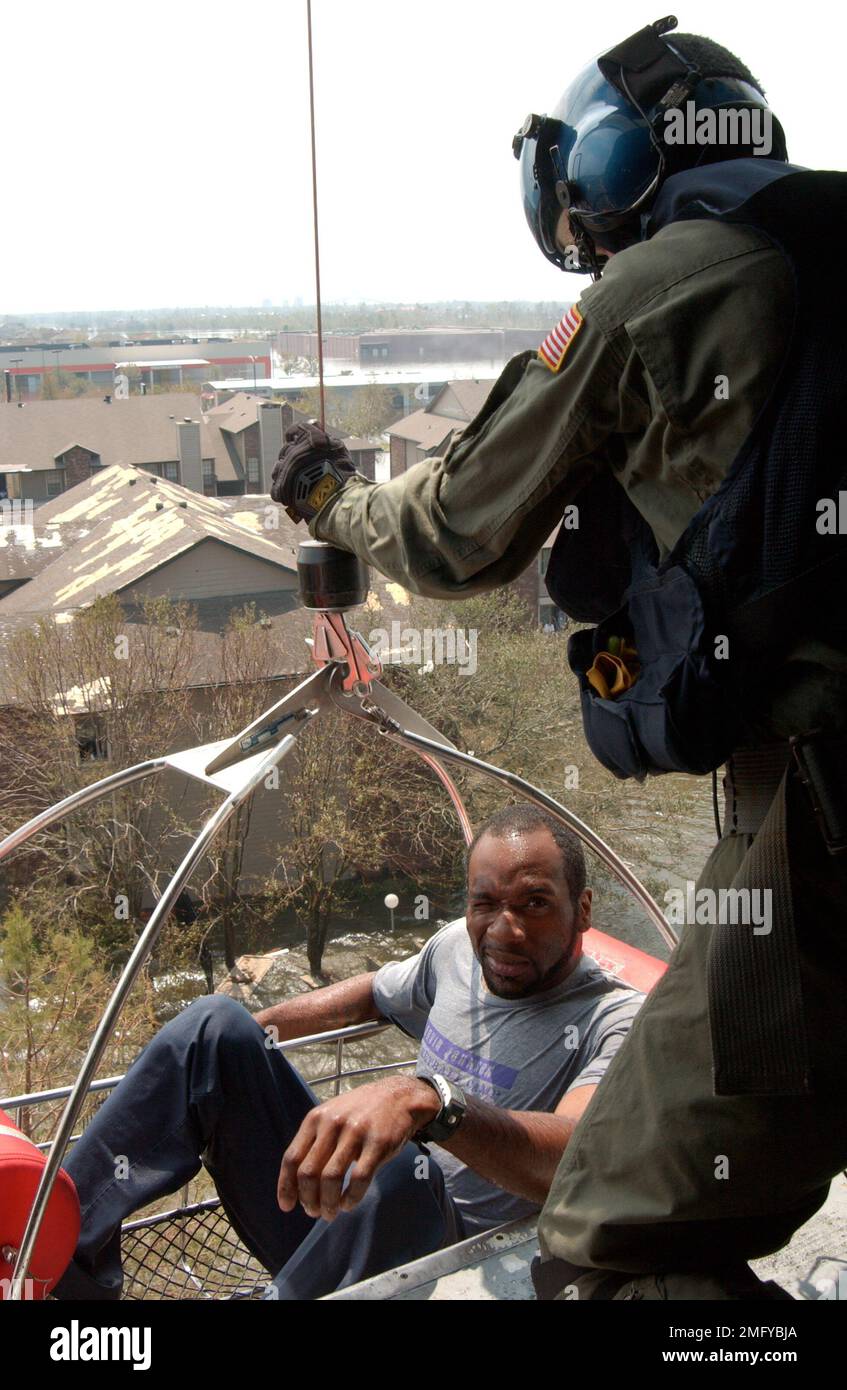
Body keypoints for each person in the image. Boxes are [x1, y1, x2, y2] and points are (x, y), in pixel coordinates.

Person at [270, 18, 847, 1299]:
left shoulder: (663, 286)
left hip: (818, 825)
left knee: (617, 1227)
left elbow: (454, 529)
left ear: (606, 167)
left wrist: (327, 498)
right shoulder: (825, 261)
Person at [53, 806, 642, 1301]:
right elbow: (373, 993)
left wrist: (429, 1102)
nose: (503, 931)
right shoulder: (455, 955)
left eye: (534, 903)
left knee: (402, 1167)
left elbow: (573, 1160)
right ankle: (47, 1255)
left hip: (448, 1261)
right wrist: (250, 1043)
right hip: (342, 1220)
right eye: (484, 903)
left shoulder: (613, 1021)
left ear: (583, 908)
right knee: (212, 1025)